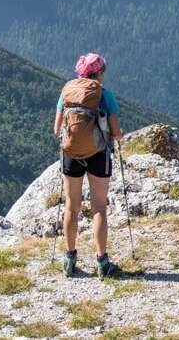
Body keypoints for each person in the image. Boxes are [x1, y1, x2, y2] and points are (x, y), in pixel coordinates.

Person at [53, 52, 123, 278]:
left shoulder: (67, 92)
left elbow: (57, 130)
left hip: (71, 154)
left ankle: (69, 259)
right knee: (99, 208)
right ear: (98, 73)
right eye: (103, 71)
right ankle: (102, 263)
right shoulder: (105, 95)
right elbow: (116, 133)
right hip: (98, 155)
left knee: (72, 207)